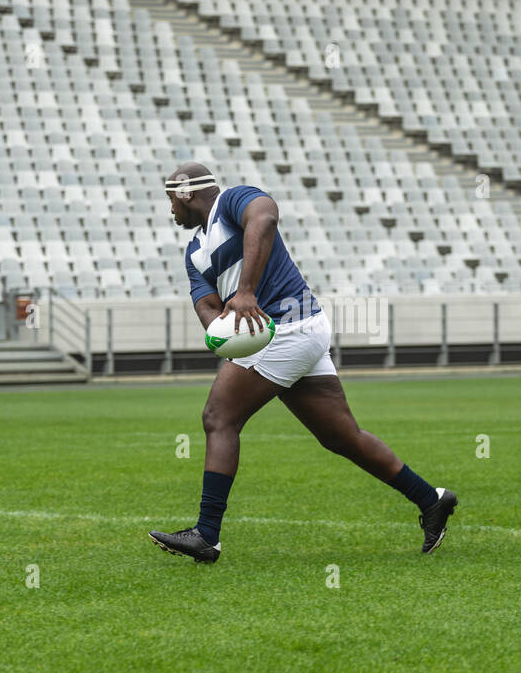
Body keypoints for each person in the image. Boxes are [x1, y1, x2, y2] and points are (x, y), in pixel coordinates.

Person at [147, 163, 457, 563]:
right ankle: (431, 499)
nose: (171, 209)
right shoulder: (194, 251)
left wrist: (245, 292)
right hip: (294, 331)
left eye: (171, 199)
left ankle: (207, 535)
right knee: (341, 437)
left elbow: (266, 217)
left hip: (287, 326)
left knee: (219, 418)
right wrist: (222, 334)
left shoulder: (233, 200)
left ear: (186, 193)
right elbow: (206, 304)